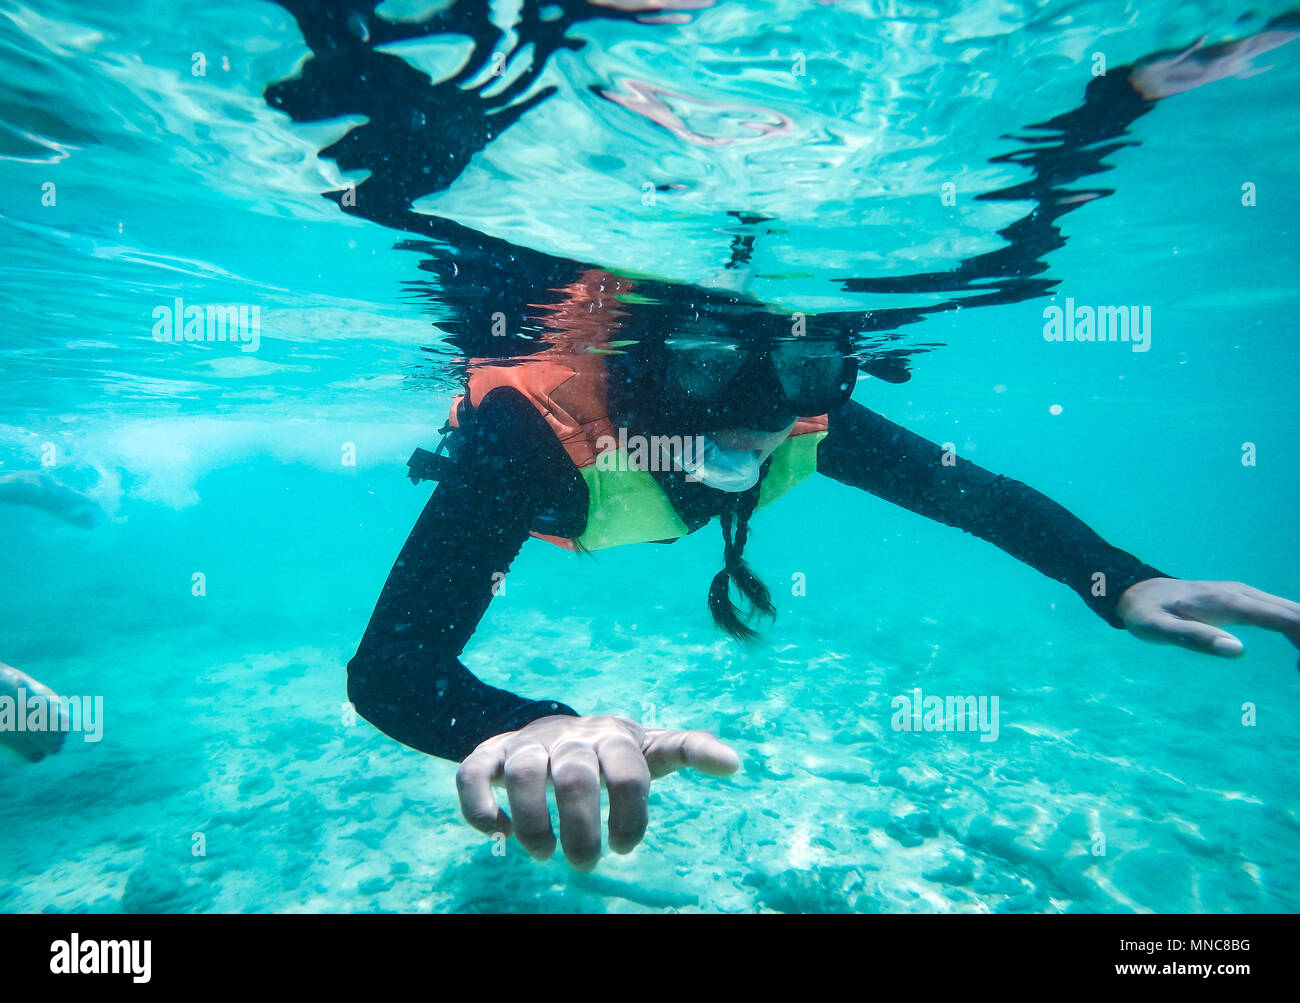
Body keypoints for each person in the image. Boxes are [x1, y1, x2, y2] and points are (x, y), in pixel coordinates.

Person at [344, 271, 1300, 872]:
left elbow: (983, 498)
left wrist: (1118, 581)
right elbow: (393, 665)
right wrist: (535, 722)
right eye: (712, 364)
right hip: (555, 480)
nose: (765, 407)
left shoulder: (813, 421)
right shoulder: (530, 438)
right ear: (643, 359)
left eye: (804, 370)